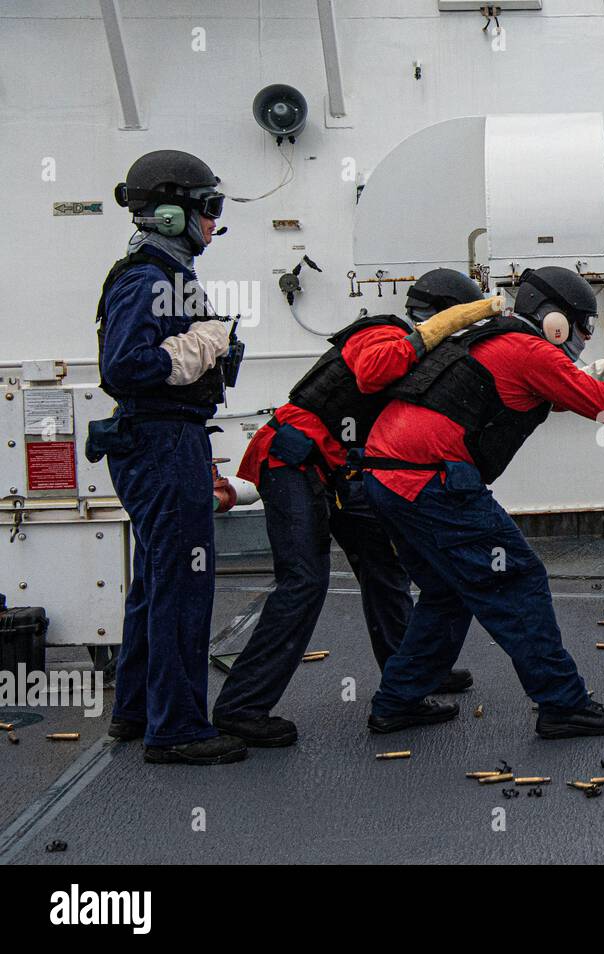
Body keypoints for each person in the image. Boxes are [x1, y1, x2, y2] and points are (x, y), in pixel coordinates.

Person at [359, 265, 604, 738]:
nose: (585, 337)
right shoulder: (527, 350)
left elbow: (563, 388)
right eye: (583, 326)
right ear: (555, 322)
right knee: (518, 580)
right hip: (431, 483)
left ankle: (397, 700)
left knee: (446, 591)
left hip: (386, 477)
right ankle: (562, 704)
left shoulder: (495, 339)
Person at [211, 271, 501, 746]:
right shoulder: (382, 334)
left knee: (383, 567)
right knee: (304, 580)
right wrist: (441, 332)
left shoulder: (413, 352)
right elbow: (372, 372)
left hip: (337, 468)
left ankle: (410, 678)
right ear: (440, 318)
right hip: (294, 459)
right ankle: (241, 708)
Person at [93, 149, 246, 764]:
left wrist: (205, 345)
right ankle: (178, 728)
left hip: (164, 440)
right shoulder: (149, 279)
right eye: (207, 209)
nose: (214, 222)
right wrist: (195, 351)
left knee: (157, 581)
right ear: (167, 214)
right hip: (160, 442)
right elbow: (124, 366)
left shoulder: (166, 275)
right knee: (184, 582)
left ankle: (135, 711)